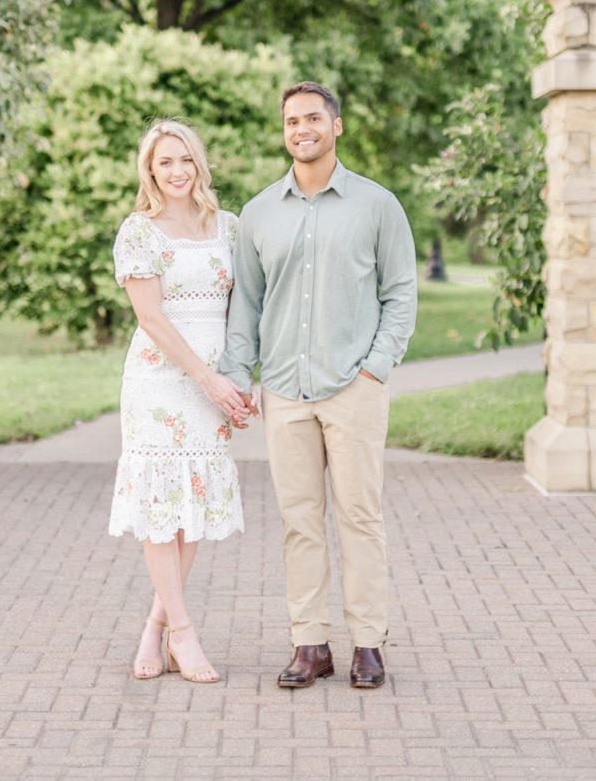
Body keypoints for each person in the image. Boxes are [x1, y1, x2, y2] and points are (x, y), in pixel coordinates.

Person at [219, 81, 417, 691]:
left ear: (336, 126)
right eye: (290, 121)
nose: (300, 128)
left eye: (311, 118)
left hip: (353, 386)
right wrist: (237, 378)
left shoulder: (377, 205)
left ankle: (368, 643)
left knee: (359, 516)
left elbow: (400, 292)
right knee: (299, 520)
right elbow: (246, 305)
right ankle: (310, 644)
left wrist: (375, 367)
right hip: (283, 390)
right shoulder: (258, 213)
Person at [109, 120, 253, 684]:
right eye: (164, 162)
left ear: (199, 164)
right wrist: (206, 379)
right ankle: (185, 633)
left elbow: (244, 311)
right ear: (150, 169)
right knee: (161, 506)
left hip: (215, 381)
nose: (175, 172)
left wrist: (239, 379)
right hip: (161, 383)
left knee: (192, 504)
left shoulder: (230, 228)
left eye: (184, 160)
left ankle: (156, 625)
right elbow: (151, 317)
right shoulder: (139, 232)